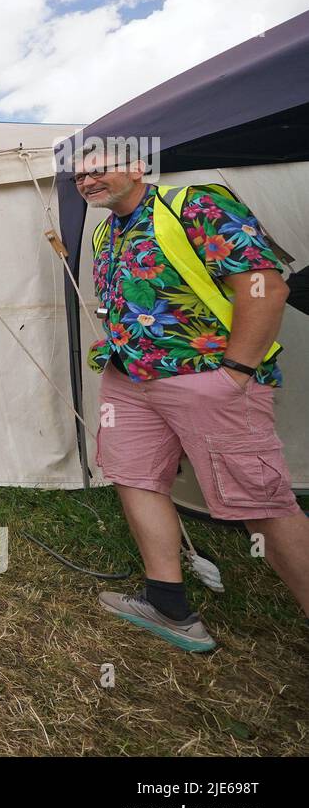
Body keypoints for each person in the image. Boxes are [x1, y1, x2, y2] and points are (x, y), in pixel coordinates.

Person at [75, 146, 309, 652]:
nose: (87, 181)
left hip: (208, 378)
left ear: (138, 168)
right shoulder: (103, 232)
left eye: (99, 170)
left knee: (260, 500)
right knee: (134, 476)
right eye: (79, 177)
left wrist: (237, 372)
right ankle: (168, 603)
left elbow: (264, 285)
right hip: (129, 380)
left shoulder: (194, 205)